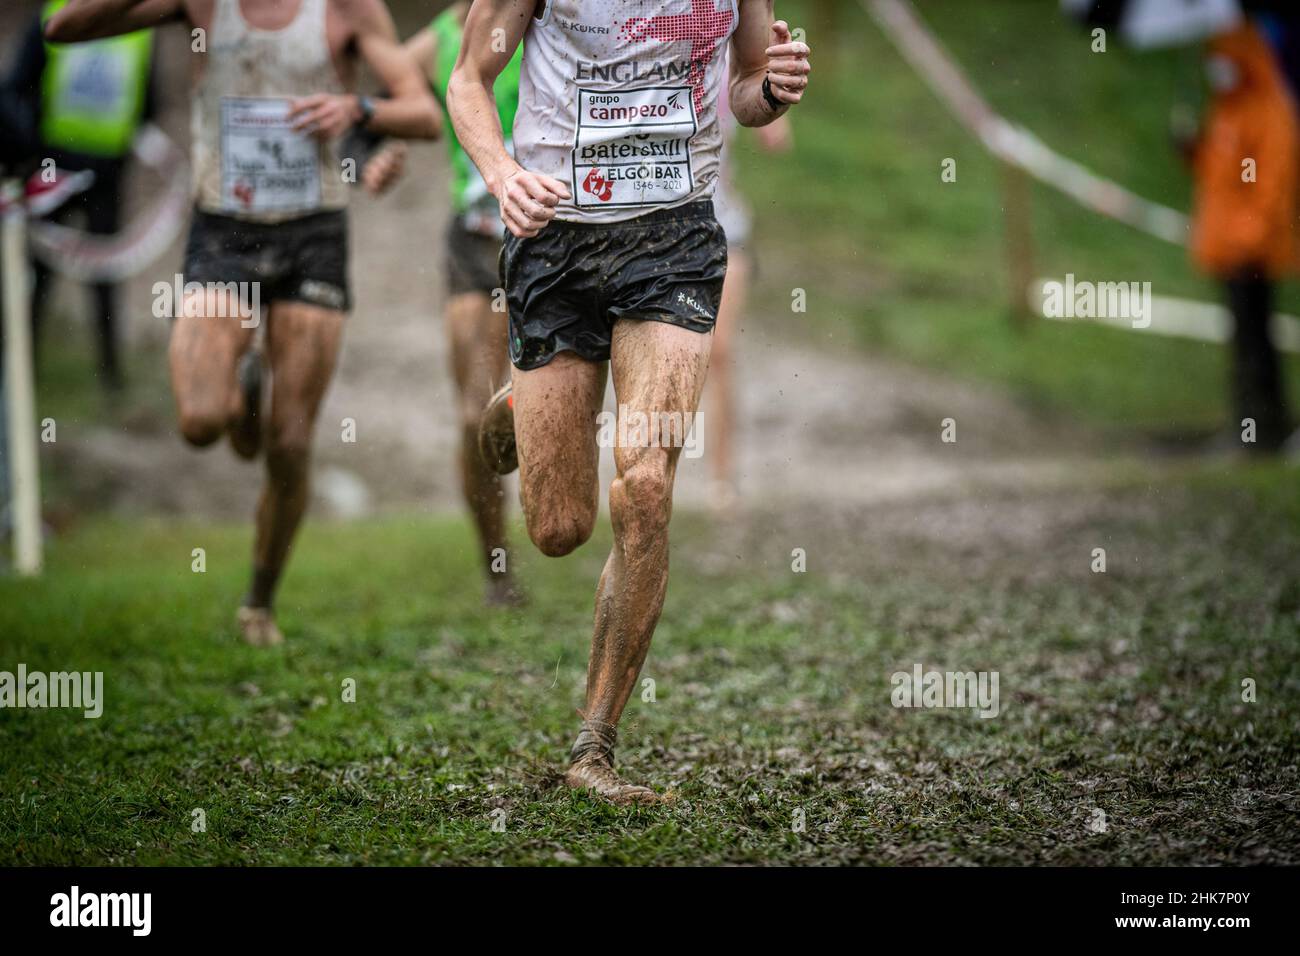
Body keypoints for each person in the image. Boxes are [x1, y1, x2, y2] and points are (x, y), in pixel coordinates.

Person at [448, 0, 811, 803]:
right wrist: (502, 176)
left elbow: (749, 85)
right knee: (558, 528)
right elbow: (469, 79)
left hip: (674, 240)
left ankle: (594, 745)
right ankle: (527, 407)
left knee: (645, 489)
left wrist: (774, 89)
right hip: (555, 240)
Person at [46, 0, 440, 645]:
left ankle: (259, 599)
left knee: (289, 443)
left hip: (314, 233)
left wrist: (357, 111)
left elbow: (422, 111)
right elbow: (63, 27)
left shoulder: (347, 8)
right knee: (202, 422)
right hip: (224, 232)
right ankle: (244, 388)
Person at [402, 1, 524, 606]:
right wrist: (381, 137)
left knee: (496, 409)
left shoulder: (544, 19)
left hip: (533, 234)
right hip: (468, 239)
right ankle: (496, 570)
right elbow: (390, 82)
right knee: (469, 419)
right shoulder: (442, 37)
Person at [3, 0, 158, 392]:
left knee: (103, 272)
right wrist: (28, 149)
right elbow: (17, 87)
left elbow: (149, 100)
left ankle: (109, 374)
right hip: (53, 168)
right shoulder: (54, 14)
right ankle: (25, 370)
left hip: (104, 173)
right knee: (41, 270)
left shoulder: (140, 27)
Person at [1180, 21, 1298, 455]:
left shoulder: (1270, 110)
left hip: (1254, 255)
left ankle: (1270, 431)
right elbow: (1219, 178)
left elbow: (1273, 186)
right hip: (1227, 251)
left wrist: (1250, 239)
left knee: (1258, 344)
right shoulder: (1225, 109)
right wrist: (1192, 151)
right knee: (1241, 344)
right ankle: (1246, 430)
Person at [706, 99, 791, 509]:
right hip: (656, 230)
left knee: (719, 352)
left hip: (725, 227)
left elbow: (776, 136)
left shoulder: (727, 58)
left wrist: (776, 90)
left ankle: (724, 478)